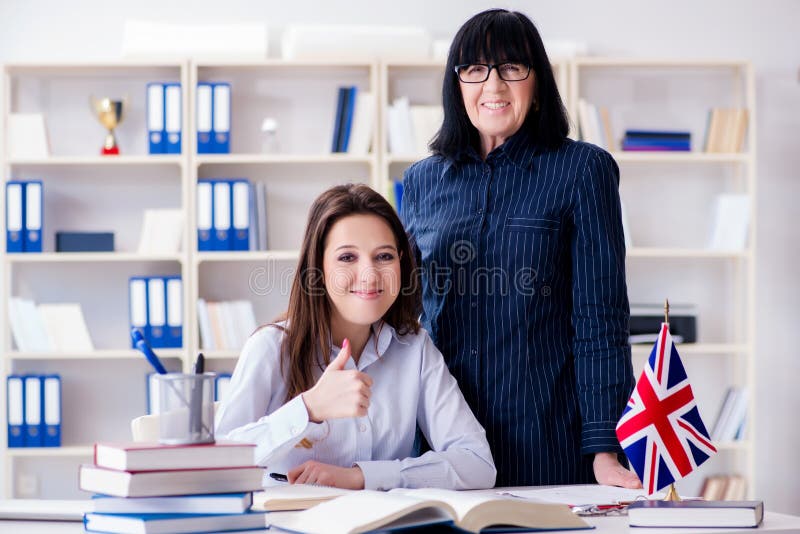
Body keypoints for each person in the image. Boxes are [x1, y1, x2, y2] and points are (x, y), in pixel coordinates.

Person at [401, 8, 642, 489]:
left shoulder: (582, 171)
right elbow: (400, 312)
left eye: (512, 67)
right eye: (475, 70)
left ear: (538, 82)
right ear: (458, 85)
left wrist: (603, 446)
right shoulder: (421, 180)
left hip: (547, 440)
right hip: (442, 443)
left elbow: (600, 319)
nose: (493, 86)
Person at [215, 184, 496, 491]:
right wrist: (308, 409)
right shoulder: (271, 348)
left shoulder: (414, 349)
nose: (370, 275)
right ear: (318, 267)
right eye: (347, 257)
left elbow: (477, 464)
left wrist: (361, 477)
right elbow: (216, 466)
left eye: (384, 256)